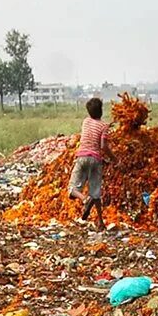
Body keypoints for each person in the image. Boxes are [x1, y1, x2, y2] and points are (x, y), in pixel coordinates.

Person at [68, 97, 110, 229]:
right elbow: (103, 146)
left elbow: (92, 130)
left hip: (82, 157)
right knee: (96, 193)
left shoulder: (85, 121)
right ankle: (101, 222)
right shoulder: (104, 126)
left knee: (72, 189)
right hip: (96, 160)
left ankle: (84, 199)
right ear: (101, 111)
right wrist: (114, 159)